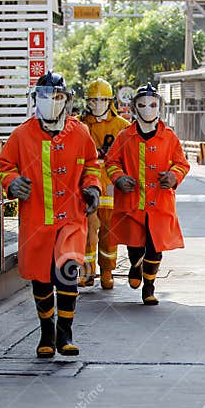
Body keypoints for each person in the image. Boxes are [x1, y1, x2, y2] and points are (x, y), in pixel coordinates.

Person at [0, 71, 102, 358]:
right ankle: (46, 330)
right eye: (45, 96)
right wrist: (12, 182)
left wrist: (92, 188)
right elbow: (5, 167)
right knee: (42, 279)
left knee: (67, 273)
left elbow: (92, 165)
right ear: (35, 99)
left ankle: (65, 333)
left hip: (71, 219)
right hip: (36, 221)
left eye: (57, 96)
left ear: (66, 100)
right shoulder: (21, 135)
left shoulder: (80, 132)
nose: (51, 102)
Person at [104, 83, 190, 305]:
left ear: (160, 106)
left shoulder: (169, 137)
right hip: (132, 203)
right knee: (134, 247)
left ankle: (149, 287)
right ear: (134, 107)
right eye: (142, 105)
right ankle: (135, 265)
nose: (148, 109)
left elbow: (181, 164)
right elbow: (111, 162)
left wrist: (173, 176)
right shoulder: (125, 136)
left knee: (155, 248)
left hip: (160, 204)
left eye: (153, 104)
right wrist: (120, 178)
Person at [79, 78, 131, 289]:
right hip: (87, 186)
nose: (97, 104)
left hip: (111, 187)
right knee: (89, 229)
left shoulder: (122, 127)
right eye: (93, 100)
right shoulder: (79, 125)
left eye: (102, 100)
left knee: (109, 232)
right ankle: (87, 272)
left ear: (110, 101)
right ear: (87, 102)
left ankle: (107, 271)